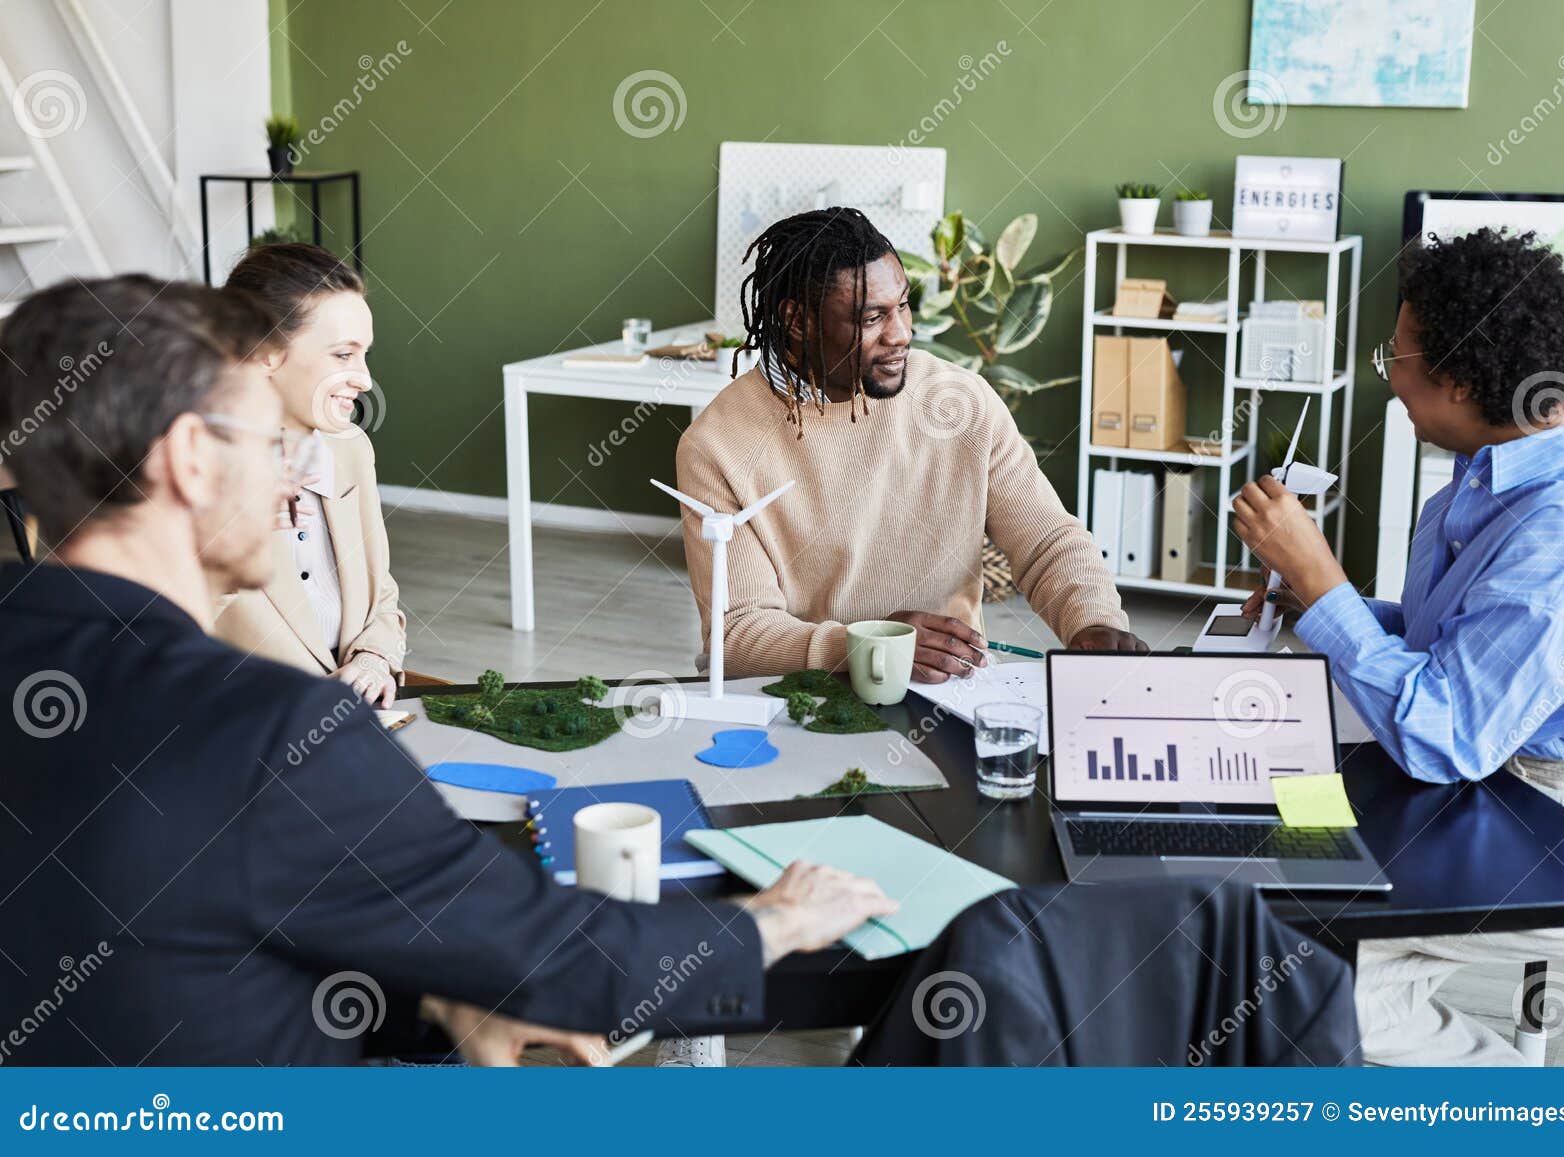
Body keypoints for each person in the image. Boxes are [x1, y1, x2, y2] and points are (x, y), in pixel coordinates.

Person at [0, 275, 895, 1066]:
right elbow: (561, 952)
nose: (288, 478)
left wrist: (429, 996)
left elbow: (167, 945)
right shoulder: (273, 733)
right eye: (269, 441)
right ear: (192, 460)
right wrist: (773, 919)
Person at [1232, 227, 1564, 1065]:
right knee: (1275, 835)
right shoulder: (1495, 460)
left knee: (1305, 986)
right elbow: (1456, 643)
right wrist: (1327, 604)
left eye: (1394, 358)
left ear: (1460, 383)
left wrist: (1323, 582)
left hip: (1560, 816)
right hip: (1482, 771)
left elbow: (1446, 736)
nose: (1390, 378)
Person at [675, 207, 1143, 684]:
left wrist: (1095, 620)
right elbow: (737, 636)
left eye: (902, 305)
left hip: (950, 691)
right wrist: (867, 647)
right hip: (808, 696)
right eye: (872, 317)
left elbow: (1046, 542)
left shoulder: (959, 401)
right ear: (797, 321)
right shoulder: (719, 446)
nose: (901, 333)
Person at [212, 243, 404, 708]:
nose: (363, 379)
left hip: (351, 724)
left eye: (364, 355)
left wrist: (374, 659)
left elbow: (382, 597)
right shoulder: (189, 468)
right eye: (343, 355)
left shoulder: (350, 450)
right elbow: (149, 642)